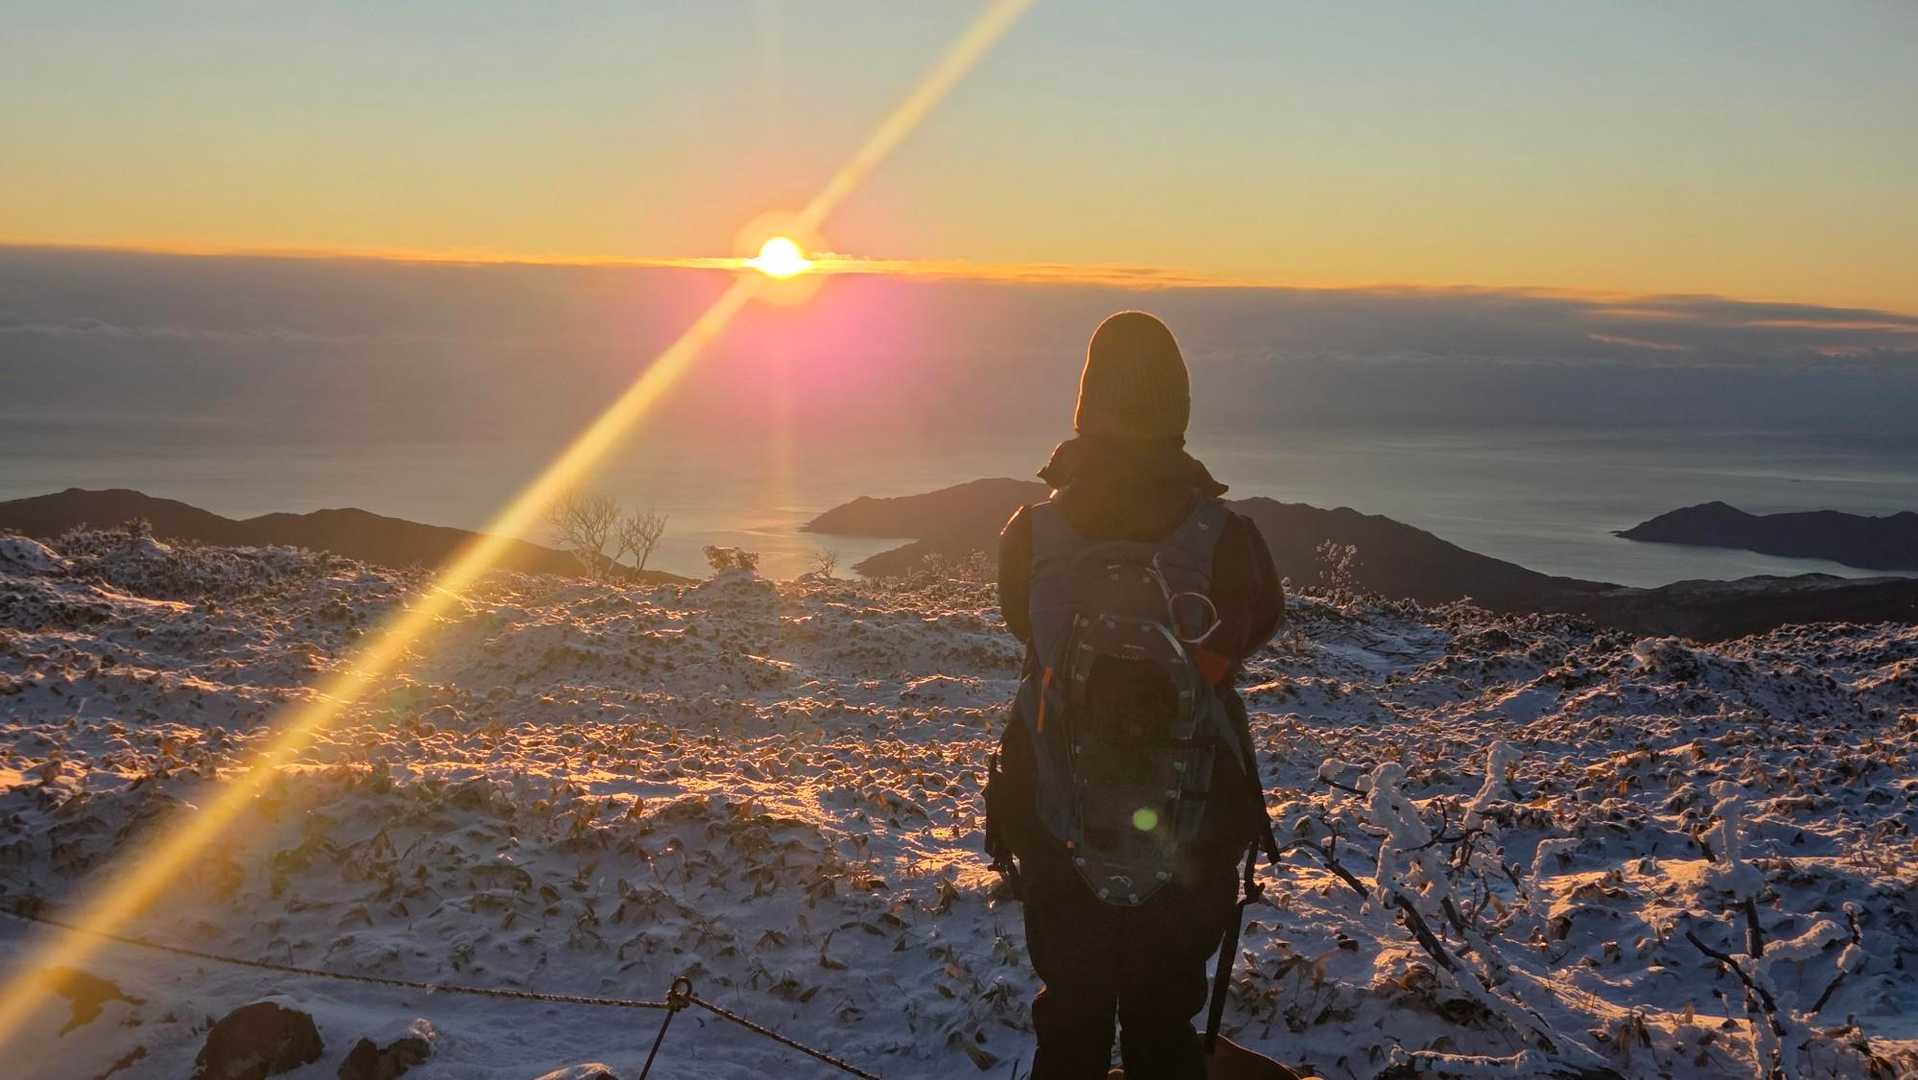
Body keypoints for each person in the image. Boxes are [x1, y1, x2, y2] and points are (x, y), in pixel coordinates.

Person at [985, 311, 1284, 1079]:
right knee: (1164, 1021)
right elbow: (1254, 630)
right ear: (1176, 408)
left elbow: (1025, 628)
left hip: (1057, 815)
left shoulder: (1031, 534)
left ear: (1087, 404)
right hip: (1191, 829)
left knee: (1070, 1016)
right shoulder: (1228, 540)